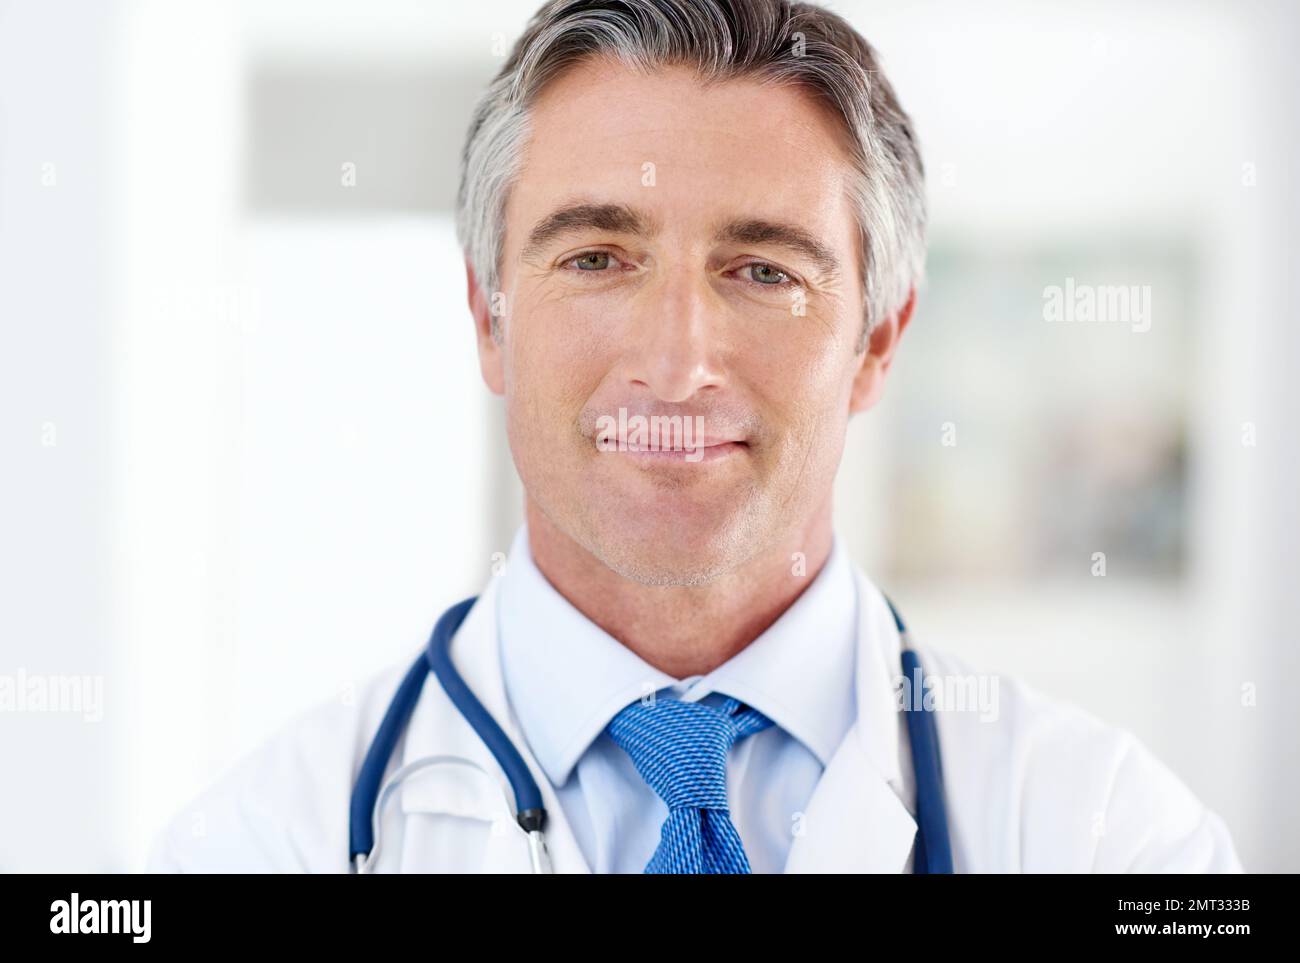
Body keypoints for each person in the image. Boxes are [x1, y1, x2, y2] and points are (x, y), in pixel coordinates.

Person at [147, 0, 1242, 873]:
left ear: (876, 343)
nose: (674, 366)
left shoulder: (1116, 841)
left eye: (762, 271)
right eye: (595, 258)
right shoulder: (256, 845)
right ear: (487, 317)